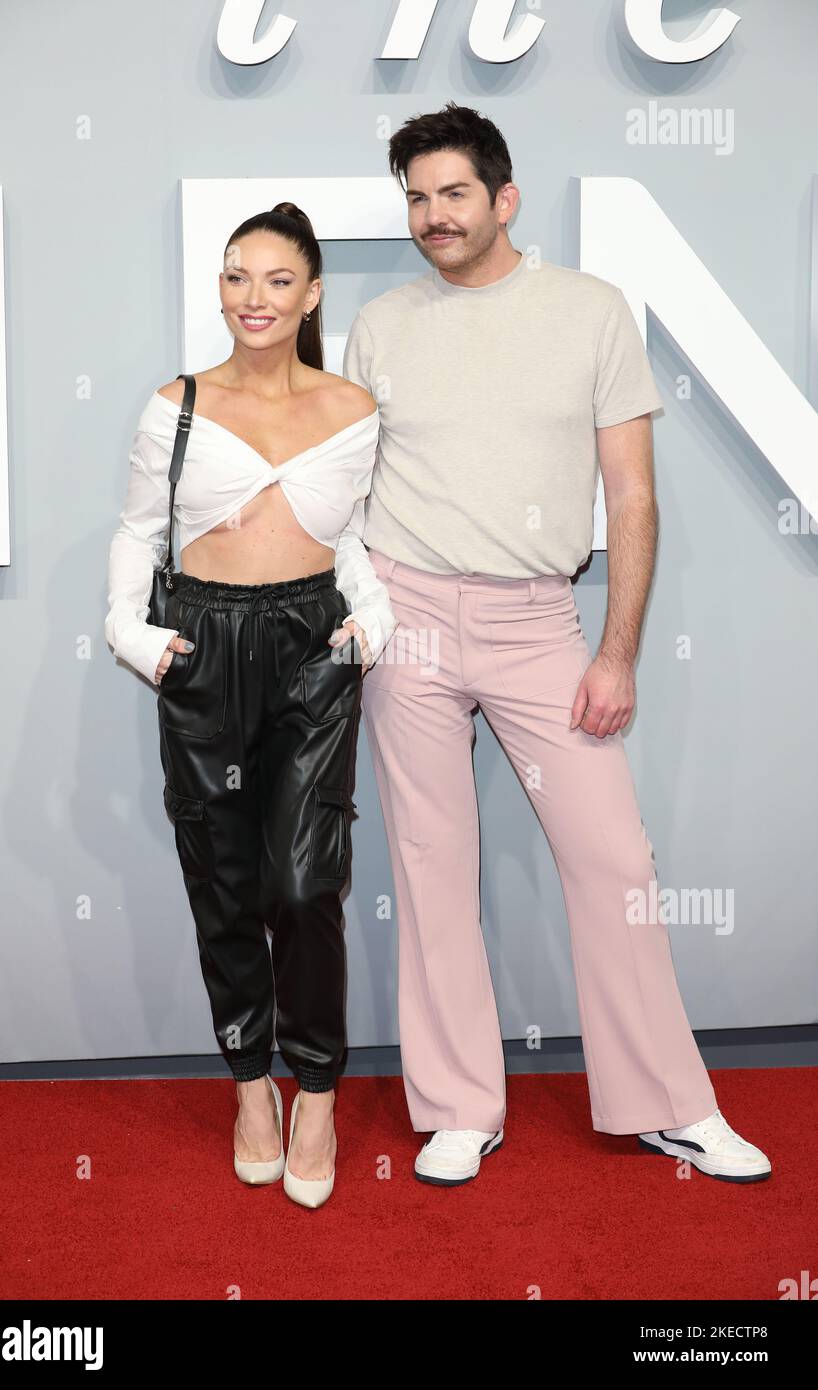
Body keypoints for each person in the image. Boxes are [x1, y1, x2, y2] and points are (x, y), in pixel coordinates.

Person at [343, 102, 772, 1187]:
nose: (431, 215)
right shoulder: (381, 324)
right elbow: (348, 490)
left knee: (616, 862)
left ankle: (671, 1105)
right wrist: (362, 614)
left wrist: (616, 650)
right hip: (409, 619)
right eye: (415, 196)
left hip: (539, 618)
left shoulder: (587, 311)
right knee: (432, 867)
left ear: (503, 198)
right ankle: (456, 1108)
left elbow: (629, 494)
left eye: (451, 193)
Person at [105, 203, 397, 1208]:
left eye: (277, 280)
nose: (254, 298)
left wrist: (372, 615)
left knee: (307, 878)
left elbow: (348, 534)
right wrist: (131, 632)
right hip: (203, 647)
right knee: (223, 878)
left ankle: (313, 1088)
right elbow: (139, 535)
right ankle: (248, 1085)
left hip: (313, 648)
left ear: (312, 294)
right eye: (236, 277)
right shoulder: (176, 401)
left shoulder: (353, 406)